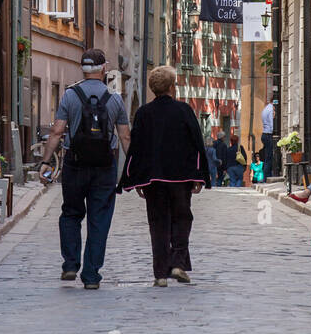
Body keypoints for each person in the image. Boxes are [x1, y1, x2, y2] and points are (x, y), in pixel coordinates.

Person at [38, 48, 131, 289]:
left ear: (83, 69)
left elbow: (57, 131)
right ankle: (91, 276)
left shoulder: (70, 95)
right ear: (103, 69)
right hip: (104, 166)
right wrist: (132, 169)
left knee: (71, 213)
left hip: (75, 163)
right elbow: (125, 137)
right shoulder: (115, 99)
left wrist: (46, 162)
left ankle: (70, 265)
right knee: (99, 219)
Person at [118, 65, 210, 286]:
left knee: (158, 223)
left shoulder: (143, 113)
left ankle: (160, 274)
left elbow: (136, 147)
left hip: (153, 178)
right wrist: (200, 175)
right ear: (171, 87)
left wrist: (135, 178)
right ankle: (177, 263)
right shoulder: (184, 110)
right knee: (182, 218)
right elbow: (197, 143)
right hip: (181, 177)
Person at [260, 99, 278, 181]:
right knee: (269, 156)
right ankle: (266, 176)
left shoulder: (265, 109)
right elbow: (271, 123)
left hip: (264, 133)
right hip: (268, 134)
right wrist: (273, 130)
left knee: (267, 156)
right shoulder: (270, 109)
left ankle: (266, 175)